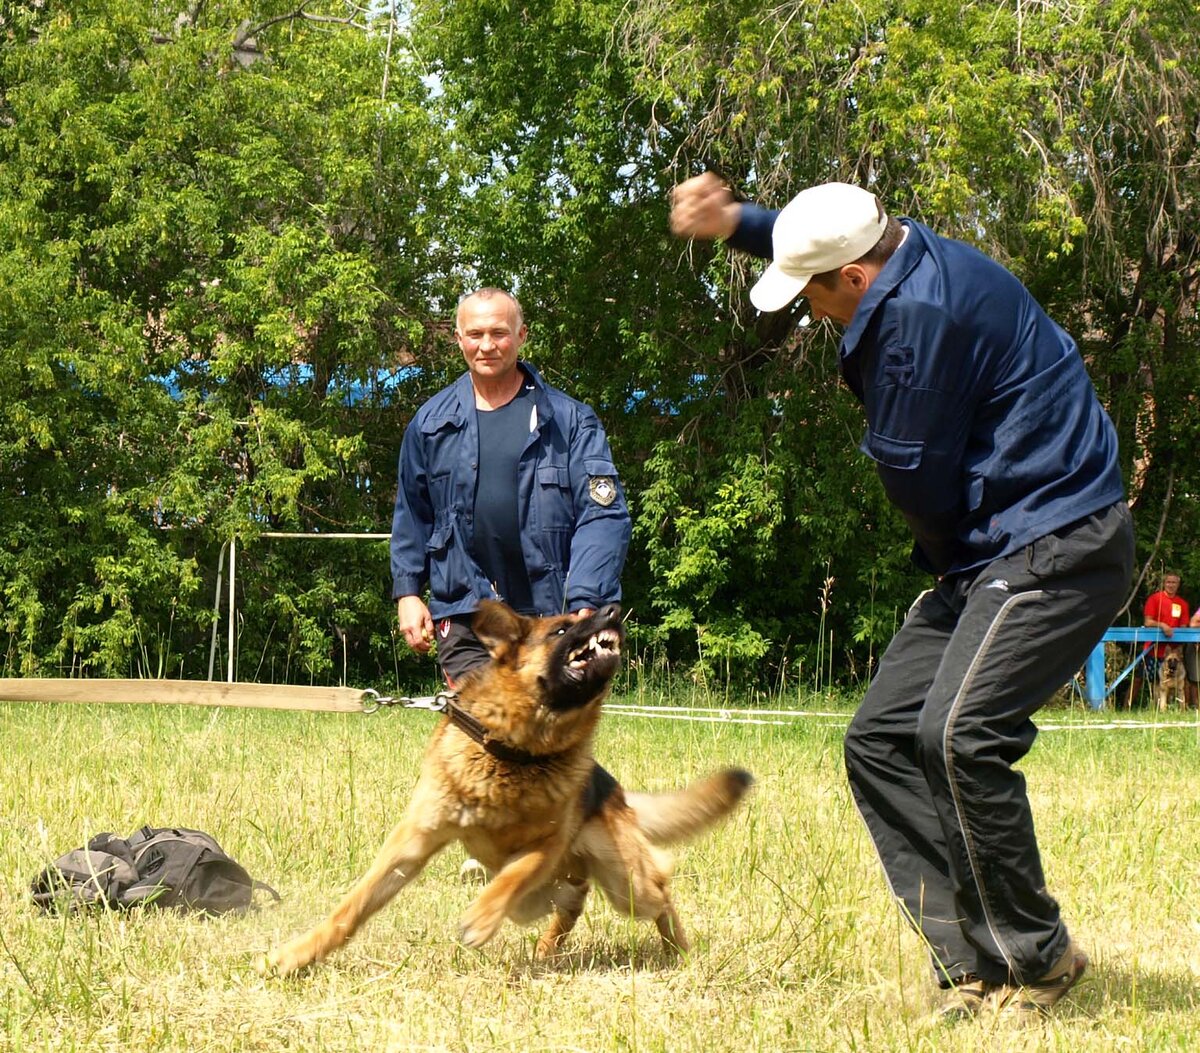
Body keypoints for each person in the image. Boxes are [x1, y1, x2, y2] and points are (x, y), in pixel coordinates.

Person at [669, 174, 1134, 1018]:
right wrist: (739, 222)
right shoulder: (896, 250)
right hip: (996, 544)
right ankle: (971, 965)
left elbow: (915, 478)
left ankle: (1038, 959)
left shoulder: (918, 323)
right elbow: (822, 240)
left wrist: (946, 555)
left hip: (1056, 540)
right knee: (883, 738)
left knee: (957, 734)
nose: (809, 311)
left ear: (852, 279)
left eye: (810, 295)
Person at [390, 286, 631, 689]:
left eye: (499, 333)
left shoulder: (570, 422)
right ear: (458, 339)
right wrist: (408, 594)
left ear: (521, 336)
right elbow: (413, 516)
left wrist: (585, 597)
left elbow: (603, 515)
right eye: (475, 334)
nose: (487, 345)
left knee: (544, 734)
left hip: (552, 613)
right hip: (467, 609)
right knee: (485, 726)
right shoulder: (430, 424)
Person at [1133, 572, 1192, 707]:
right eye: (1168, 582)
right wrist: (1163, 625)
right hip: (1153, 649)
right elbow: (1148, 622)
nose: (1171, 585)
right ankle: (1126, 706)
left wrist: (1180, 647)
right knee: (1139, 679)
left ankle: (1186, 708)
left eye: (1174, 583)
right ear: (1164, 583)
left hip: (1174, 653)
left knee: (1183, 683)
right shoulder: (1154, 599)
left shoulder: (1182, 603)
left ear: (1178, 585)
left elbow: (1183, 627)